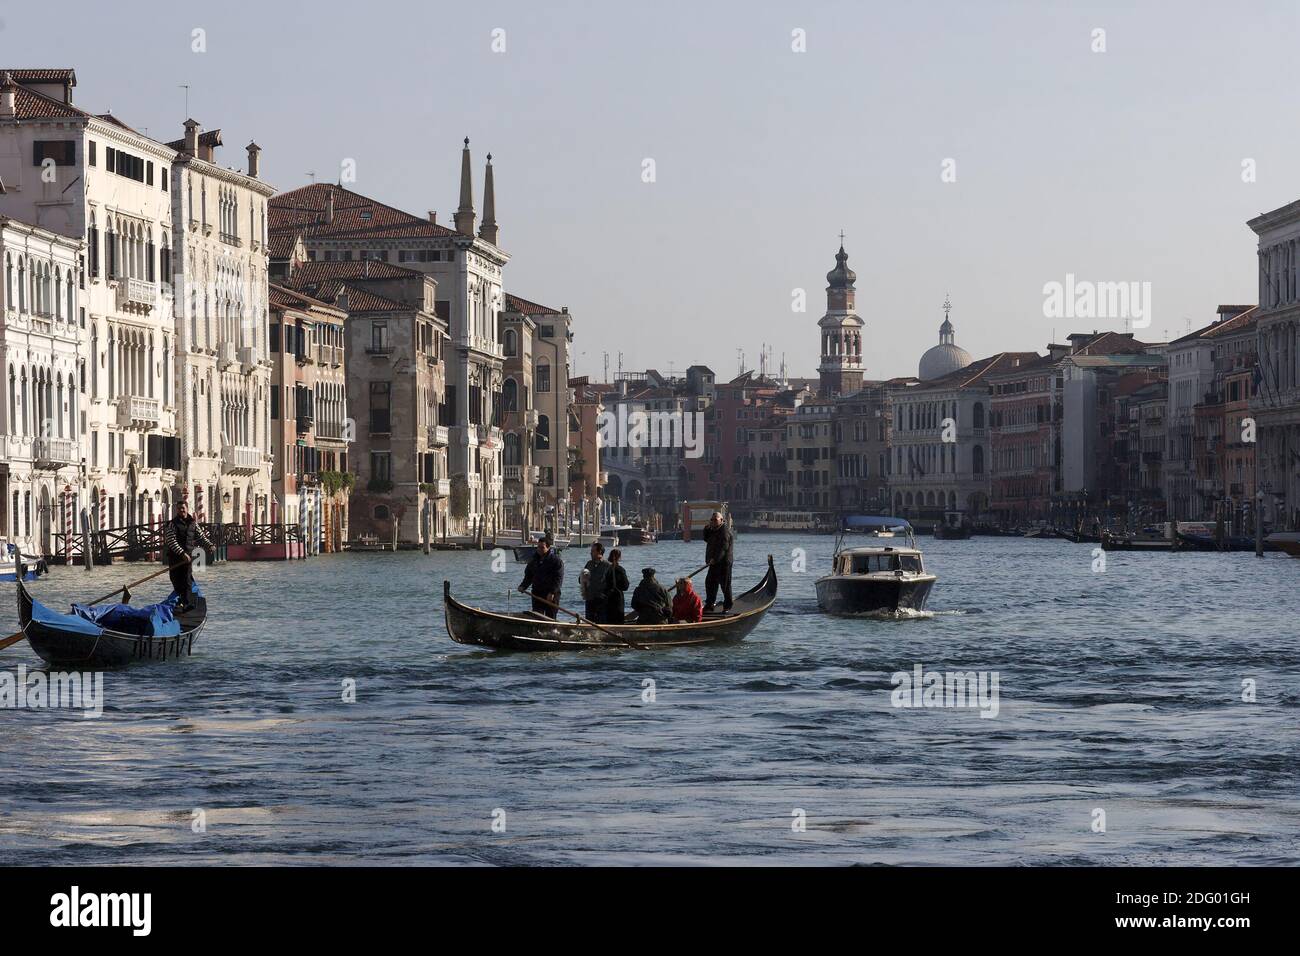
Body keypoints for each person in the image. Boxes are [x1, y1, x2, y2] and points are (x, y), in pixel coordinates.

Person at [163, 502, 214, 612]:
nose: (181, 510)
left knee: (186, 579)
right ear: (177, 510)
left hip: (188, 558)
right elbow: (171, 541)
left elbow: (201, 537)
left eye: (183, 508)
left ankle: (187, 604)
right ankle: (182, 601)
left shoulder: (193, 523)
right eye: (179, 509)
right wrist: (182, 553)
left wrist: (209, 545)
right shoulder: (172, 524)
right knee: (175, 580)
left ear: (187, 509)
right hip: (175, 557)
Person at [518, 534, 564, 619]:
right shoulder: (534, 560)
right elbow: (529, 576)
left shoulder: (556, 561)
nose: (539, 549)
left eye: (542, 547)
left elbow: (558, 579)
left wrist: (552, 592)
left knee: (550, 618)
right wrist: (523, 586)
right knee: (537, 616)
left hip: (551, 595)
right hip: (537, 593)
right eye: (538, 547)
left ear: (548, 548)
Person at [702, 510, 734, 614]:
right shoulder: (713, 530)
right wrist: (706, 528)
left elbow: (723, 548)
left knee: (725, 585)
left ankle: (728, 605)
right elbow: (706, 539)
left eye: (715, 520)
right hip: (714, 562)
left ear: (721, 520)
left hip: (724, 563)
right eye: (712, 520)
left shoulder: (725, 531)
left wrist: (714, 559)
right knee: (710, 582)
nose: (713, 521)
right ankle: (710, 604)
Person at [580, 541, 613, 624]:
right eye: (591, 551)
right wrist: (583, 578)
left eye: (593, 551)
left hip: (602, 599)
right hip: (590, 597)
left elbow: (611, 583)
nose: (591, 553)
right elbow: (581, 579)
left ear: (599, 552)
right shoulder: (589, 564)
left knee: (601, 621)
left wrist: (606, 595)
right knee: (589, 621)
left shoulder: (608, 565)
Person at [605, 548, 630, 624]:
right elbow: (625, 586)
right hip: (617, 597)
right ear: (619, 557)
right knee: (618, 619)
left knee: (608, 619)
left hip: (606, 597)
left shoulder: (605, 568)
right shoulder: (620, 570)